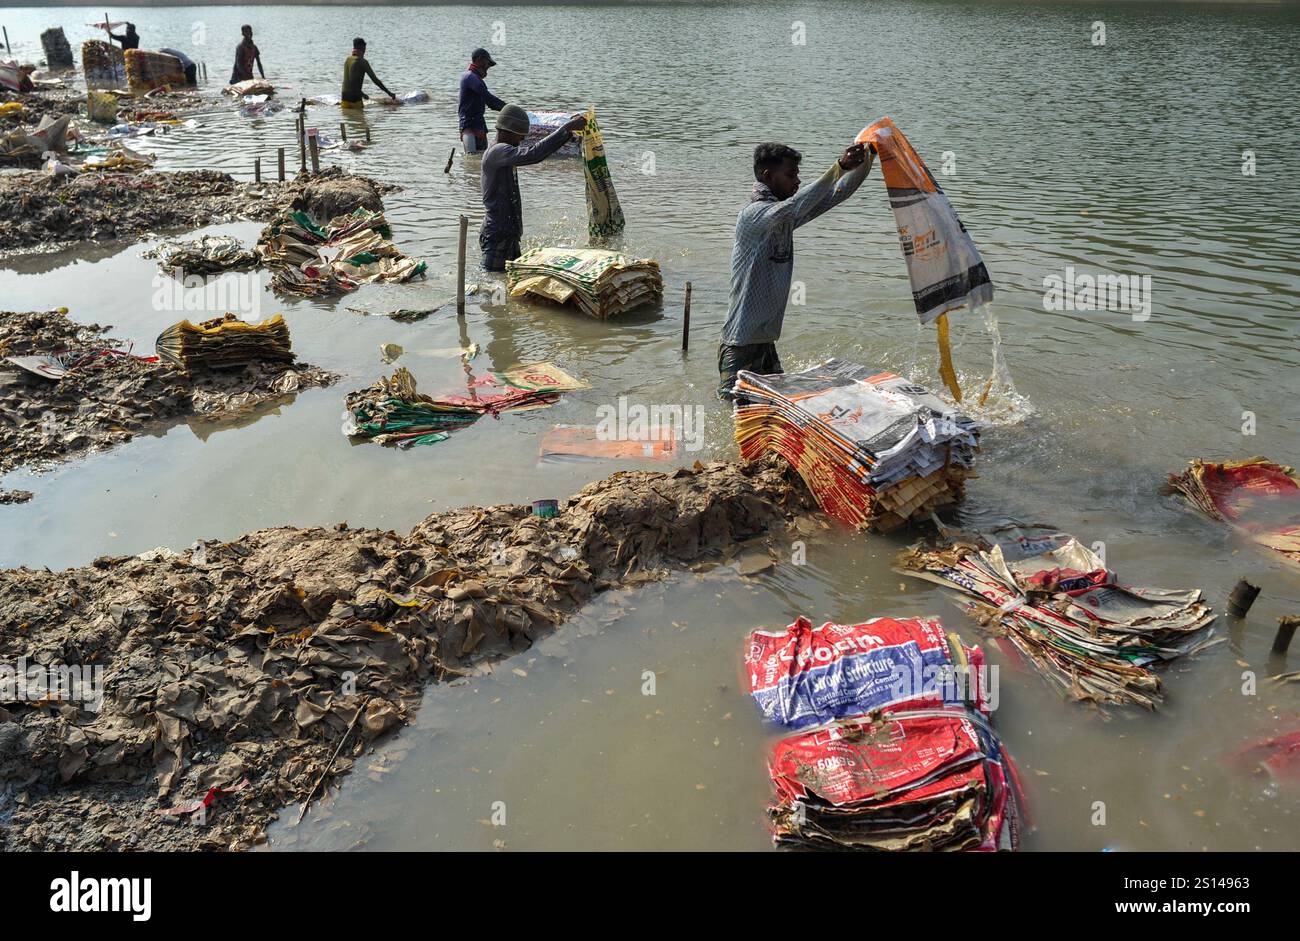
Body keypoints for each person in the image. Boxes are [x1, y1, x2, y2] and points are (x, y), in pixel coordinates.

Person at [717, 140, 875, 400]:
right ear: (768, 176)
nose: (798, 181)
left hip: (765, 343)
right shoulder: (754, 215)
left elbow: (835, 195)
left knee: (772, 414)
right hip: (739, 345)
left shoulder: (783, 219)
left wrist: (868, 160)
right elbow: (794, 205)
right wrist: (839, 166)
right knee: (735, 417)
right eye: (791, 175)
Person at [479, 105, 587, 271]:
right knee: (492, 283)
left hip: (509, 234)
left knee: (508, 283)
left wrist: (568, 136)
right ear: (507, 131)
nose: (521, 140)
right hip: (497, 236)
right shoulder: (497, 151)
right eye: (520, 136)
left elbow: (535, 152)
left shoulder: (504, 153)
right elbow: (533, 154)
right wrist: (566, 128)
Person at [458, 48, 504, 153]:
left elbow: (490, 102)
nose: (488, 67)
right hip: (469, 126)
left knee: (480, 162)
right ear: (479, 60)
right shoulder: (470, 77)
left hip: (480, 125)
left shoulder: (476, 79)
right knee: (471, 158)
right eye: (487, 63)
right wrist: (509, 108)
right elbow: (489, 99)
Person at [341, 38, 395, 109]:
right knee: (360, 119)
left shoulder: (347, 60)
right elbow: (375, 80)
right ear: (362, 48)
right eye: (365, 48)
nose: (365, 51)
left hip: (344, 97)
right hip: (355, 98)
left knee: (348, 118)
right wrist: (389, 93)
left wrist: (362, 94)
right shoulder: (363, 62)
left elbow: (350, 82)